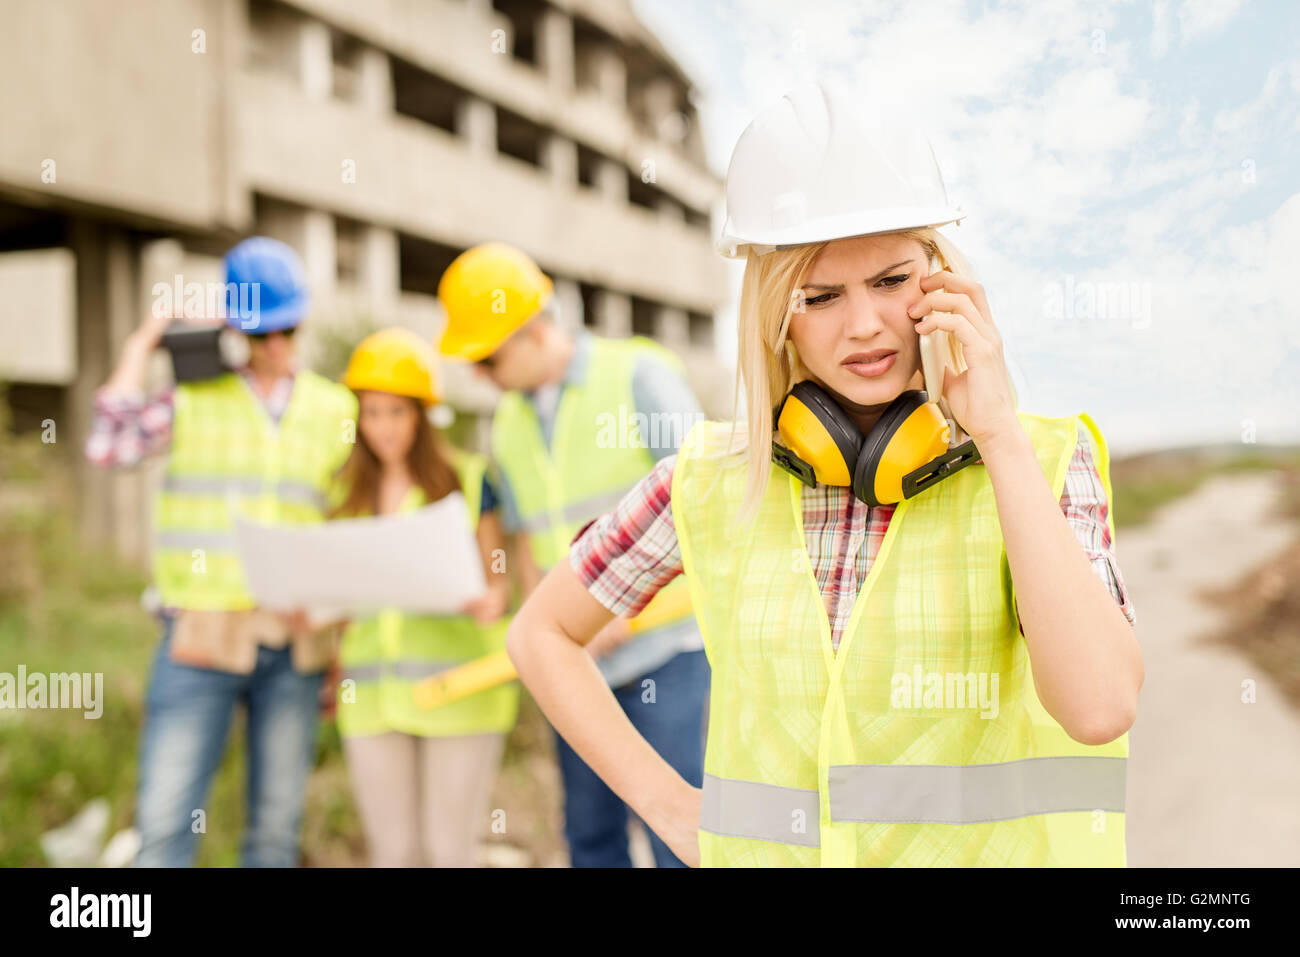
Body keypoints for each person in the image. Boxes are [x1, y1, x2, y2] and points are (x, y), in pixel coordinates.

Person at [505, 82, 1144, 867]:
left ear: (940, 282)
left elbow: (1101, 705)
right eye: (821, 296)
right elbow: (540, 633)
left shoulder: (1040, 460)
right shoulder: (707, 479)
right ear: (777, 317)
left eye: (891, 280)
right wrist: (672, 809)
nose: (866, 324)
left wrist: (999, 435)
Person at [85, 236, 358, 867]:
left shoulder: (332, 408)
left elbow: (344, 535)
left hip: (294, 646)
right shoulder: (192, 398)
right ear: (232, 329)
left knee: (273, 833)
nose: (276, 347)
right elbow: (110, 446)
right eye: (262, 334)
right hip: (199, 640)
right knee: (164, 827)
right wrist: (147, 340)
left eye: (287, 331)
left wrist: (338, 642)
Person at [436, 242, 710, 867]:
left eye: (486, 356)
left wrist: (624, 605)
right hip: (579, 669)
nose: (479, 374)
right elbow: (533, 544)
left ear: (532, 330)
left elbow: (711, 510)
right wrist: (562, 626)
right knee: (590, 841)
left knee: (683, 837)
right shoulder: (505, 424)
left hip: (668, 655)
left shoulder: (638, 376)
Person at [330, 327, 518, 867]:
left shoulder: (468, 478)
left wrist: (490, 596)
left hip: (458, 691)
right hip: (370, 698)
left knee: (448, 852)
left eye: (396, 412)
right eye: (372, 413)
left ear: (421, 415)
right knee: (395, 855)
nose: (384, 428)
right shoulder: (346, 492)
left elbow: (498, 577)